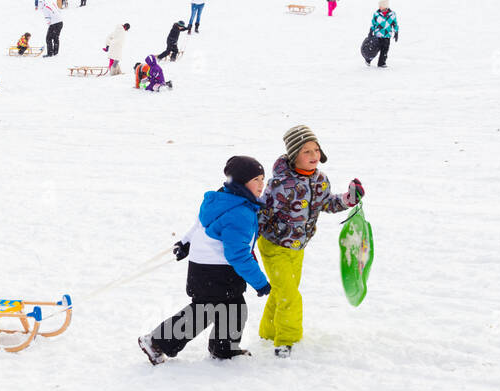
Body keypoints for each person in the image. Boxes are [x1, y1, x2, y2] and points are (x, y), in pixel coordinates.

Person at [138, 156, 272, 364]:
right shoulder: (240, 213)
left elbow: (199, 226)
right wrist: (260, 282)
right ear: (240, 182)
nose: (261, 185)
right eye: (256, 179)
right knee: (204, 312)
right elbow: (238, 255)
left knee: (234, 308)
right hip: (217, 271)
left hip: (206, 269)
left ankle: (224, 349)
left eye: (263, 179)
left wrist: (186, 242)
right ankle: (157, 342)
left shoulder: (219, 199)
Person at [257, 126, 363, 358]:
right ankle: (286, 341)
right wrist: (248, 244)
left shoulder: (320, 180)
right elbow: (261, 213)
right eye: (306, 151)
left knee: (284, 290)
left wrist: (349, 199)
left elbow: (328, 204)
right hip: (274, 245)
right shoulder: (281, 184)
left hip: (298, 246)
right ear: (294, 155)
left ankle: (267, 332)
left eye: (316, 150)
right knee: (290, 295)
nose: (314, 155)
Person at [366, 0, 399, 67]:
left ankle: (381, 63)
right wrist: (371, 31)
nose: (379, 7)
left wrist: (396, 32)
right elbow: (373, 23)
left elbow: (395, 24)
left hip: (387, 35)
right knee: (373, 49)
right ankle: (368, 59)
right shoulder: (376, 14)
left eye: (381, 6)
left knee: (385, 50)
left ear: (385, 6)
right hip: (378, 35)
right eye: (379, 6)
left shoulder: (392, 14)